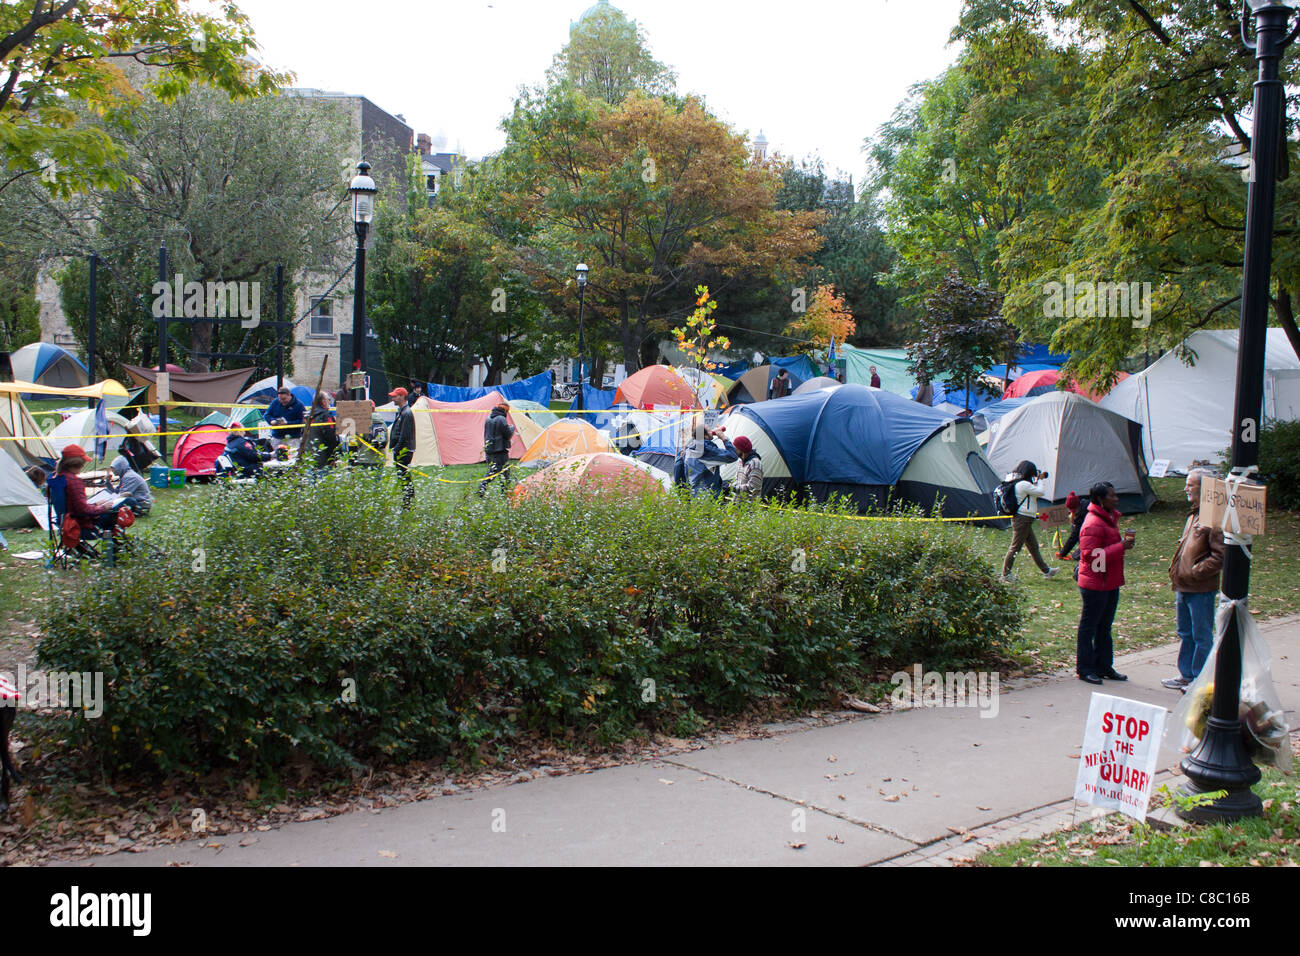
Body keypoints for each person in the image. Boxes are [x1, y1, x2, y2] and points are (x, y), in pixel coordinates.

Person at [1162, 469, 1225, 692]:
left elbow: (1220, 555)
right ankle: (1186, 674)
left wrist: (1198, 571)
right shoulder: (1193, 515)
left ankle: (1200, 677)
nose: (1186, 488)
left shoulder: (1212, 517)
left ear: (1204, 488)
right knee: (1185, 633)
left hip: (1200, 588)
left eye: (1191, 485)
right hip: (1183, 584)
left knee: (1201, 634)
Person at [1076, 481, 1135, 685]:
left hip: (1109, 581)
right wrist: (1120, 547)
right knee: (1089, 626)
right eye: (1112, 495)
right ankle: (1085, 668)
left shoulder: (1109, 519)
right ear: (1101, 499)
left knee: (1105, 626)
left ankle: (1103, 666)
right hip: (1095, 583)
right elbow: (1092, 557)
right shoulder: (1093, 523)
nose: (1116, 498)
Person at [1001, 460, 1058, 581]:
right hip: (1022, 520)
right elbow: (1040, 492)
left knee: (1033, 547)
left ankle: (1046, 571)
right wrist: (1041, 480)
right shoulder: (1023, 484)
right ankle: (1005, 575)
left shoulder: (1021, 483)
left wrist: (1037, 481)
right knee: (1015, 547)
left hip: (1025, 520)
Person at [55, 445, 130, 537]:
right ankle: (112, 548)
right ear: (78, 463)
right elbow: (84, 510)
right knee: (114, 515)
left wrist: (95, 504)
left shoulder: (57, 479)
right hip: (79, 524)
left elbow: (73, 506)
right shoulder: (74, 481)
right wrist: (103, 507)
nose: (84, 464)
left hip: (64, 522)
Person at [673, 425, 739, 496]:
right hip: (708, 495)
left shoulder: (689, 449)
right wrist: (724, 438)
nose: (712, 431)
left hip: (695, 494)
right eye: (709, 430)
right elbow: (733, 456)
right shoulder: (706, 450)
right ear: (705, 435)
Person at [387, 387, 416, 507]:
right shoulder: (402, 411)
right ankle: (408, 497)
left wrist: (397, 448)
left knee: (403, 475)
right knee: (402, 476)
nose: (392, 398)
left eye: (395, 396)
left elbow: (404, 435)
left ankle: (408, 500)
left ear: (402, 397)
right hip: (401, 450)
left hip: (404, 450)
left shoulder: (407, 412)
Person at [478, 402, 515, 496]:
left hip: (489, 449)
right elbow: (508, 435)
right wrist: (512, 428)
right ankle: (484, 488)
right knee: (501, 472)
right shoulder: (501, 419)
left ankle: (503, 491)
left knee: (495, 470)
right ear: (505, 410)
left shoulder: (489, 418)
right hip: (499, 450)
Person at [303, 390, 339, 469]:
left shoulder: (307, 416)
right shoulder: (325, 416)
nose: (329, 402)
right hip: (323, 457)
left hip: (308, 455)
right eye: (328, 399)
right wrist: (332, 457)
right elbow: (331, 438)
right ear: (323, 401)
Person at [1055, 490, 1087, 560]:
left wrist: (1062, 553)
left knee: (1076, 556)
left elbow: (1074, 536)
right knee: (1075, 555)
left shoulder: (1081, 514)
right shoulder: (1084, 503)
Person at [732, 434, 763, 499]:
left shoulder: (755, 463)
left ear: (741, 449)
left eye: (735, 448)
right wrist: (732, 486)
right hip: (738, 502)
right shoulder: (740, 461)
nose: (733, 450)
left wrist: (735, 489)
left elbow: (754, 487)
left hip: (749, 505)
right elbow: (737, 479)